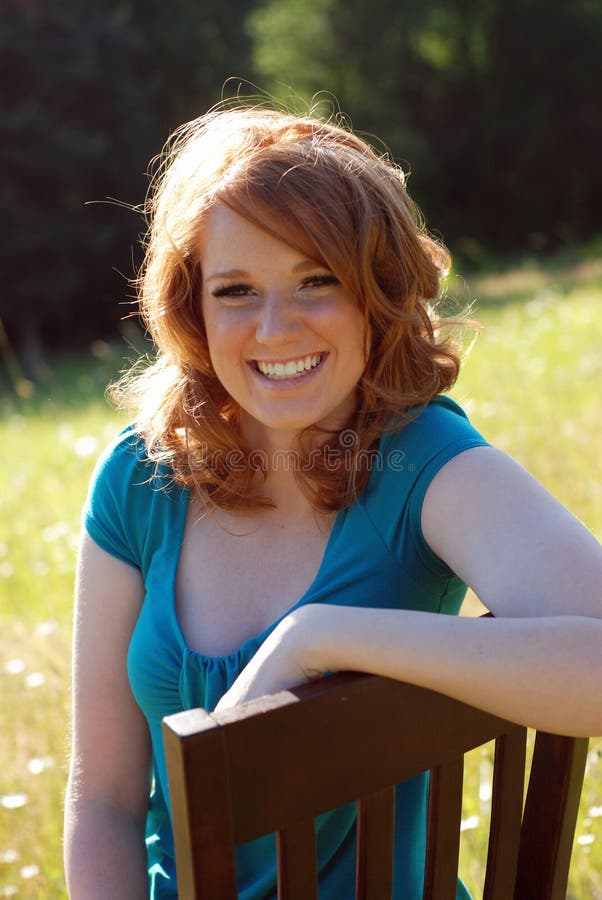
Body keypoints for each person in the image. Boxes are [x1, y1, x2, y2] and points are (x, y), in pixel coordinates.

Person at [63, 104, 602, 900]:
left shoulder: (422, 463)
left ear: (375, 293)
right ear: (193, 311)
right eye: (236, 290)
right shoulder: (139, 480)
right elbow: (102, 799)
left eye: (317, 279)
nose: (275, 329)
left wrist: (324, 636)